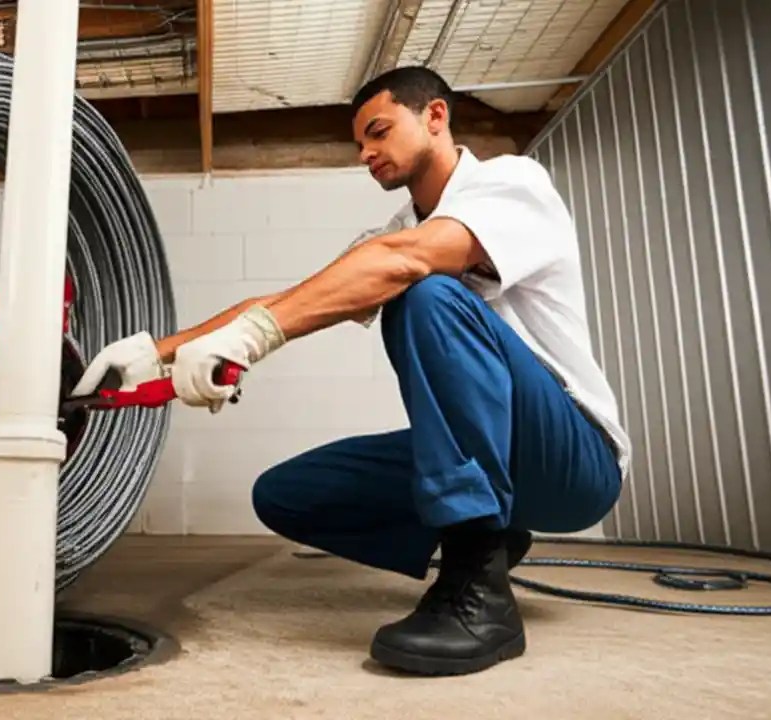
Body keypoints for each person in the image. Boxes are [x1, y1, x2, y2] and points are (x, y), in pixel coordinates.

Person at [70, 66, 630, 676]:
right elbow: (293, 297)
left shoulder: (511, 184)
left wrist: (255, 339)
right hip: (505, 459)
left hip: (575, 458)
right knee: (288, 495)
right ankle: (495, 536)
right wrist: (159, 353)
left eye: (379, 131)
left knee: (426, 295)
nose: (365, 152)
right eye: (359, 142)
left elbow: (408, 263)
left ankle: (479, 595)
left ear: (435, 118)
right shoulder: (394, 235)